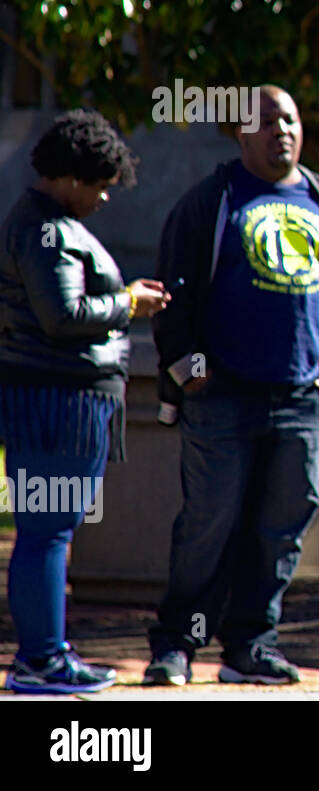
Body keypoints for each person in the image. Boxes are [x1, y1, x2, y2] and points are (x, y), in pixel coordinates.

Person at [143, 86, 319, 686]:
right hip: (221, 396)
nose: (282, 131)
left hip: (305, 397)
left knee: (280, 530)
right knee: (209, 525)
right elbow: (174, 299)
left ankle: (250, 646)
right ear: (240, 134)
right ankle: (176, 646)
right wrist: (190, 369)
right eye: (268, 121)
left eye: (291, 120)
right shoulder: (211, 203)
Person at [0, 111, 169, 693]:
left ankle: (46, 654)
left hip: (58, 400)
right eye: (99, 184)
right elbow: (63, 317)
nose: (103, 198)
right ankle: (41, 661)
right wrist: (128, 303)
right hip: (56, 401)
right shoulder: (46, 230)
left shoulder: (46, 225)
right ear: (70, 177)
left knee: (49, 530)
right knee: (47, 532)